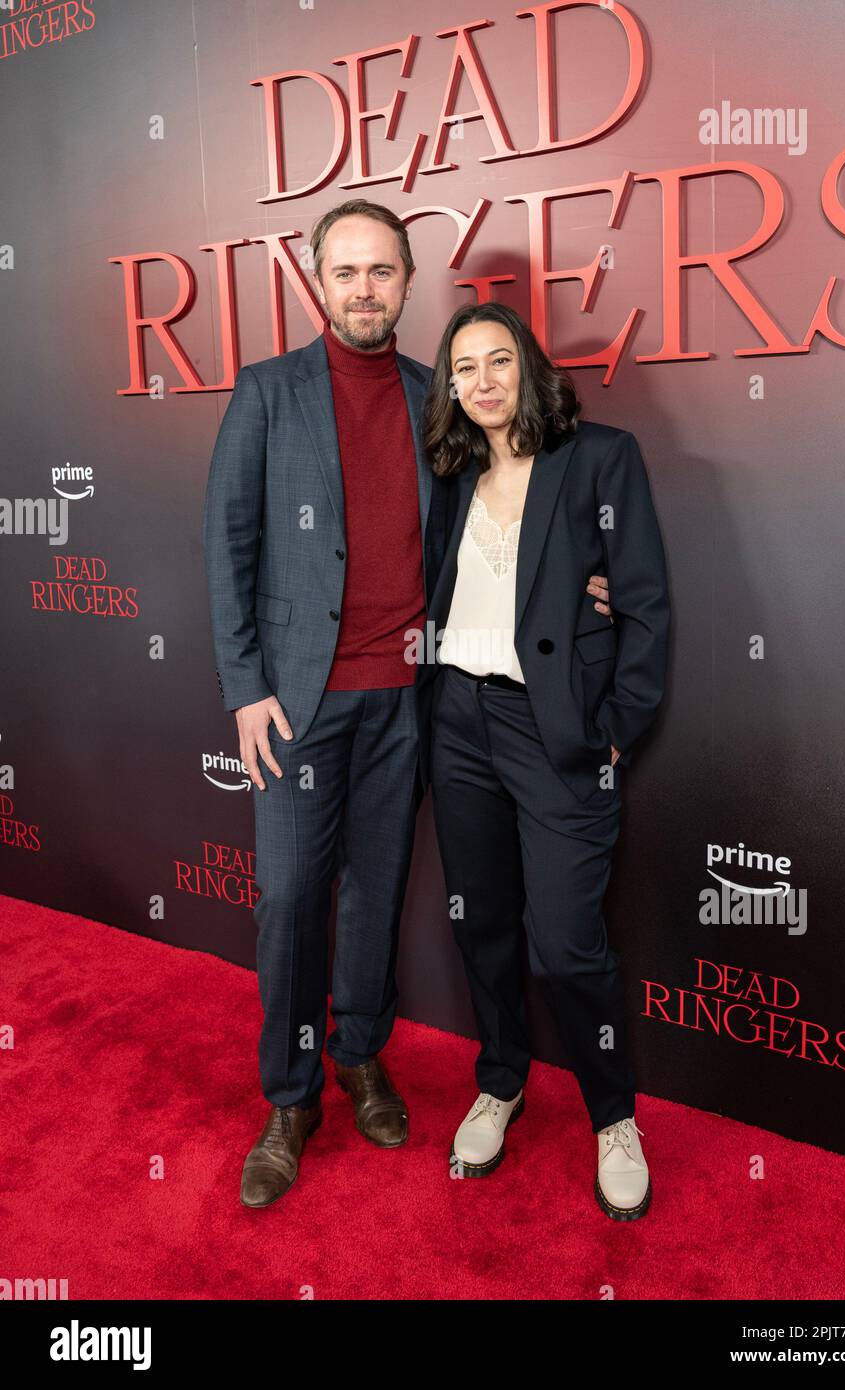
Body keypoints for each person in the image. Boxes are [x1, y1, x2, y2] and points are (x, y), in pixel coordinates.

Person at [202, 198, 616, 1209]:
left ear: (406, 279)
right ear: (317, 279)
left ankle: (359, 1055)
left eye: (382, 272)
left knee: (374, 894)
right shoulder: (264, 394)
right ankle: (291, 1095)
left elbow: (502, 517)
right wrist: (246, 686)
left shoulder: (440, 396)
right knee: (294, 898)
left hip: (409, 703)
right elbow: (228, 544)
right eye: (346, 272)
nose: (364, 289)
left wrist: (584, 583)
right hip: (299, 704)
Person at [421, 302, 670, 1220]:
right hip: (456, 719)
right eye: (464, 369)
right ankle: (501, 1079)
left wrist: (614, 728)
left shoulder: (600, 457)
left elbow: (641, 603)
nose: (482, 381)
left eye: (498, 361)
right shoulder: (448, 473)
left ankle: (612, 1116)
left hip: (555, 730)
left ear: (528, 367)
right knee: (482, 923)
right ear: (450, 387)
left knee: (565, 943)